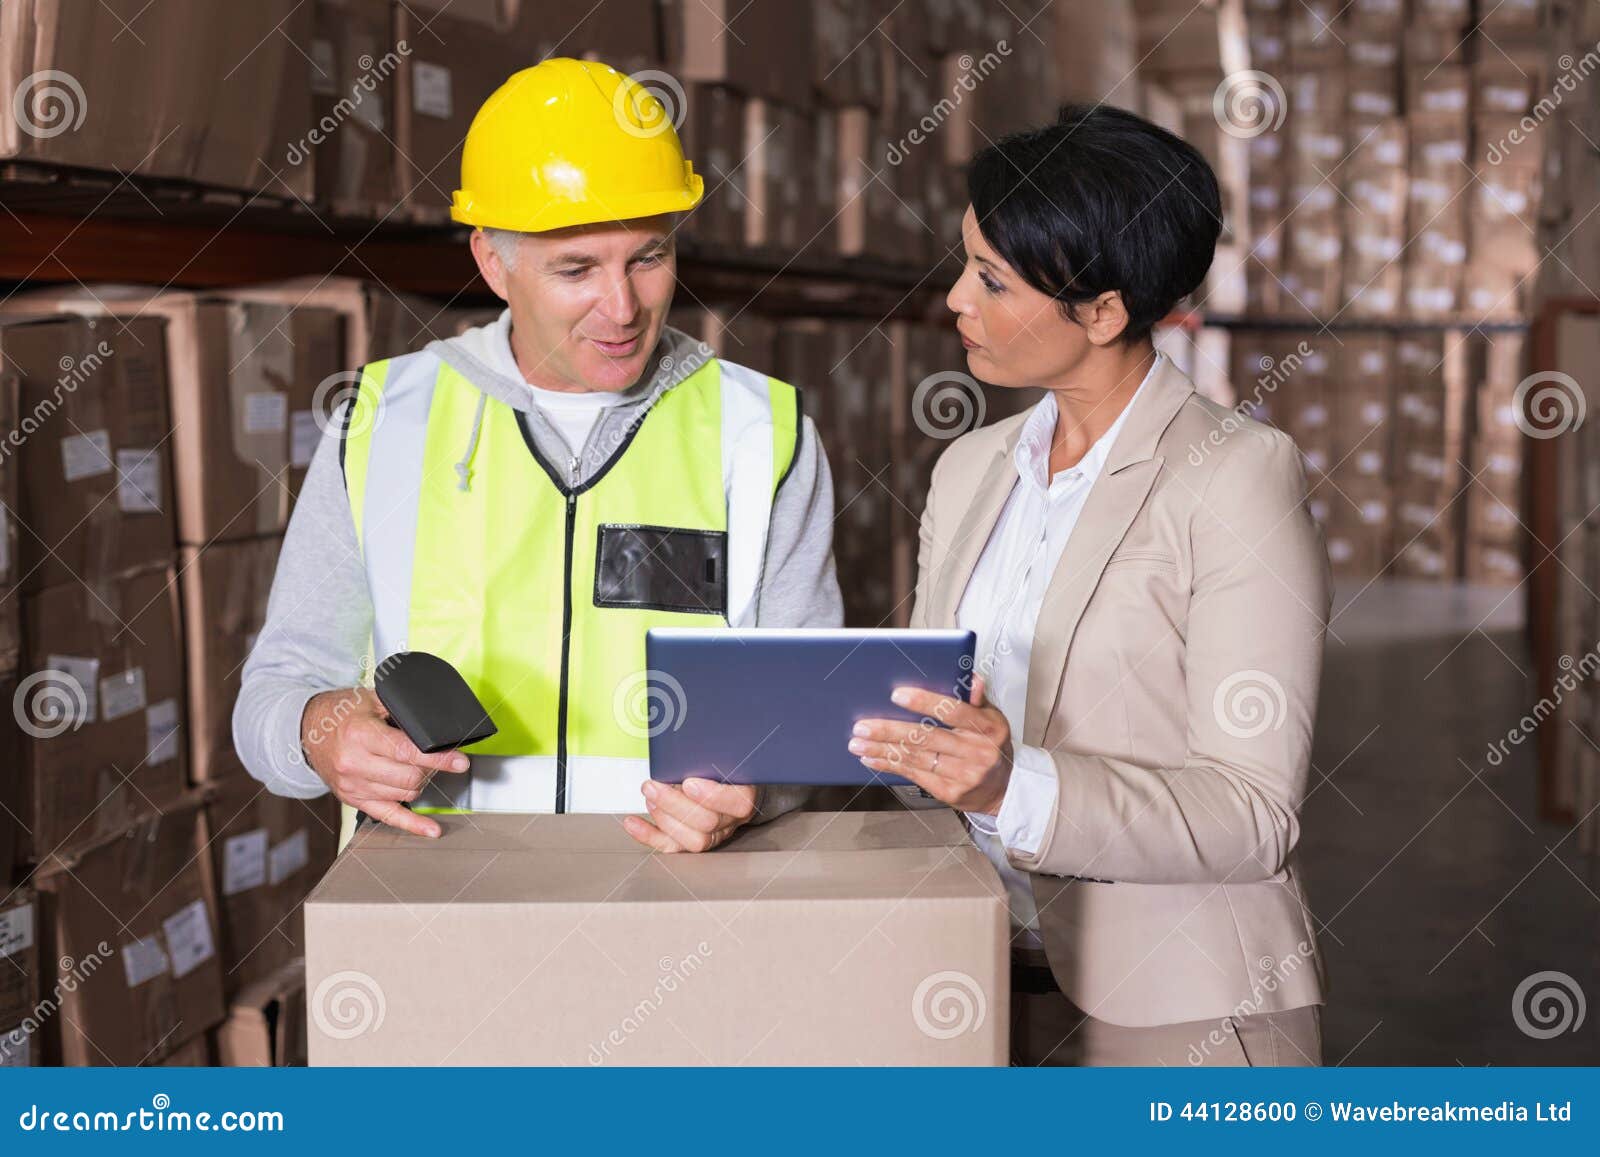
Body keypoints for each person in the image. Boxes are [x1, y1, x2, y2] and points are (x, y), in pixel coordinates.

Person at [233, 59, 841, 852]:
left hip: (675, 917)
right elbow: (273, 698)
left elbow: (810, 720)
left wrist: (754, 793)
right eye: (577, 269)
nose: (622, 308)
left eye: (649, 258)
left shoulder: (764, 433)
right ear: (494, 262)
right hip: (437, 920)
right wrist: (321, 731)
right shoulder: (381, 425)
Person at [851, 105, 1330, 1066]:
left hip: (1174, 1008)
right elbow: (932, 719)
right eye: (966, 263)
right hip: (972, 980)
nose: (955, 298)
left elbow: (1252, 814)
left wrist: (1009, 782)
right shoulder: (971, 468)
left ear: (1104, 312)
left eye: (991, 278)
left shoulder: (1235, 475)